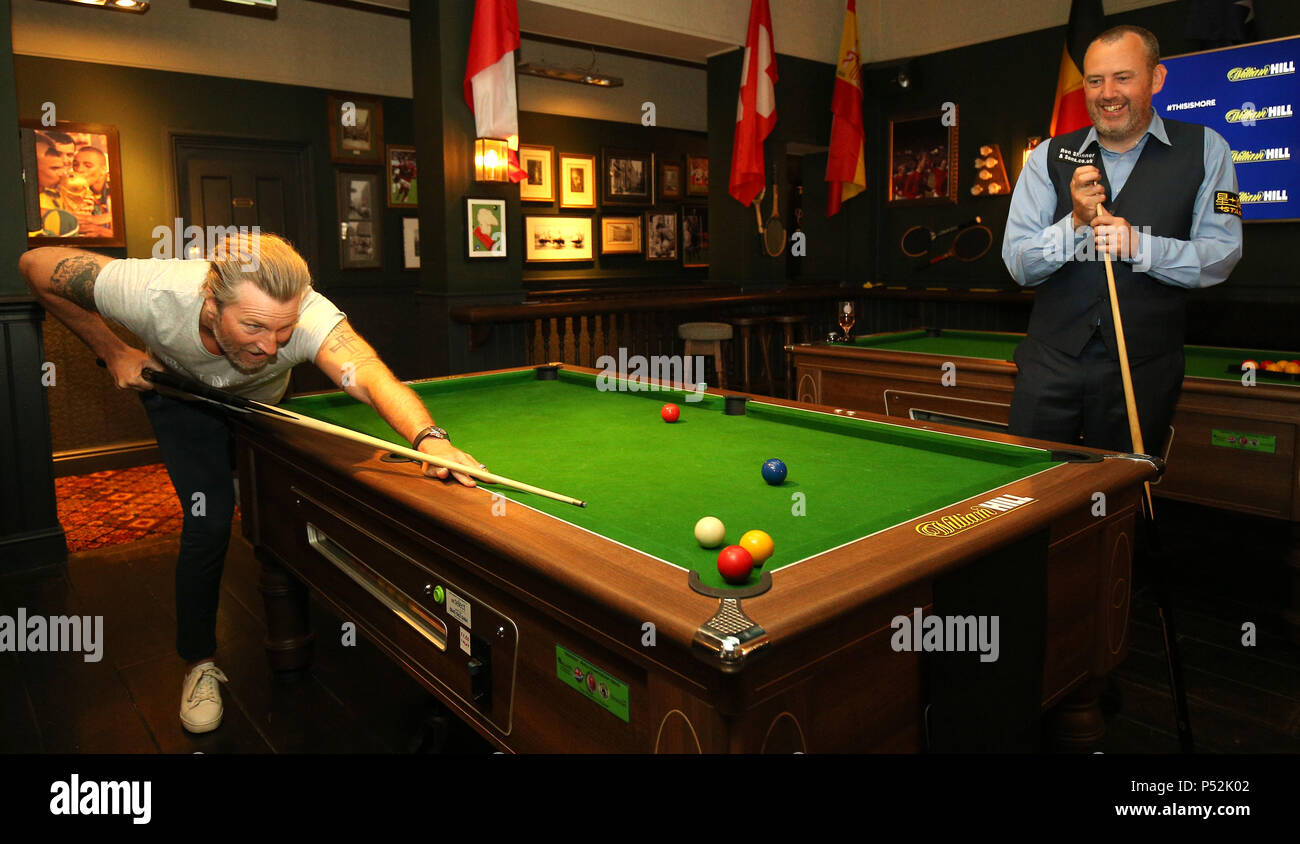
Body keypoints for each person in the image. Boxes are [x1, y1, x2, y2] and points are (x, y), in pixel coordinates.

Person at [19, 233, 482, 734]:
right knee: (209, 520)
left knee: (282, 508)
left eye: (283, 332)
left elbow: (367, 373)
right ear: (211, 302)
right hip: (181, 397)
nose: (269, 345)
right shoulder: (153, 290)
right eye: (254, 326)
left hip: (264, 405)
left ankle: (296, 622)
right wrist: (112, 350)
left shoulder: (306, 314)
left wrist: (429, 438)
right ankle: (198, 664)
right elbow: (34, 264)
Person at [1002, 25, 1242, 454]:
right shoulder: (1047, 157)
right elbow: (1019, 264)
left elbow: (1221, 255)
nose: (1107, 92)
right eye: (1095, 80)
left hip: (1144, 365)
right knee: (1031, 491)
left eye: (1123, 77)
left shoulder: (1207, 149)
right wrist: (1074, 223)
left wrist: (1139, 248)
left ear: (1156, 79)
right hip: (1050, 363)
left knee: (1119, 497)